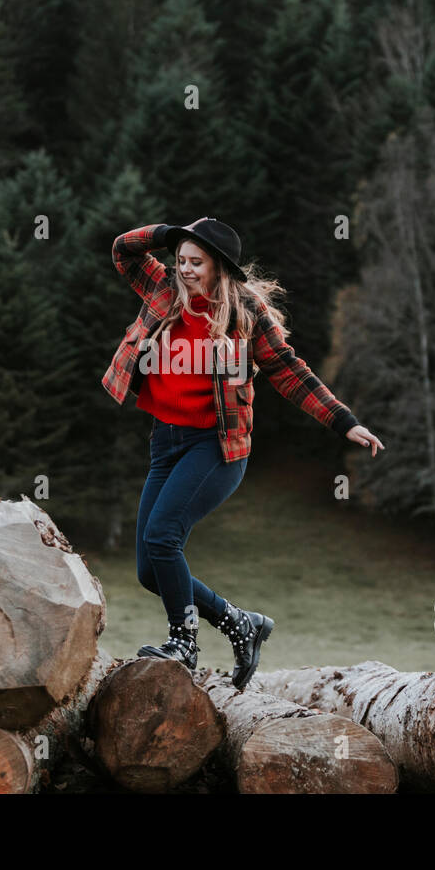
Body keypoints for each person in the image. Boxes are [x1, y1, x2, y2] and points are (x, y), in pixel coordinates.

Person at [101, 218, 384, 689]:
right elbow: (122, 251)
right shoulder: (163, 289)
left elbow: (291, 373)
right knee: (151, 571)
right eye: (181, 260)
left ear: (219, 270)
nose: (184, 270)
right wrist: (168, 233)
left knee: (163, 537)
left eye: (196, 263)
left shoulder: (244, 314)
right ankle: (240, 623)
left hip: (215, 447)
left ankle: (184, 642)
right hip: (165, 442)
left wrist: (344, 420)